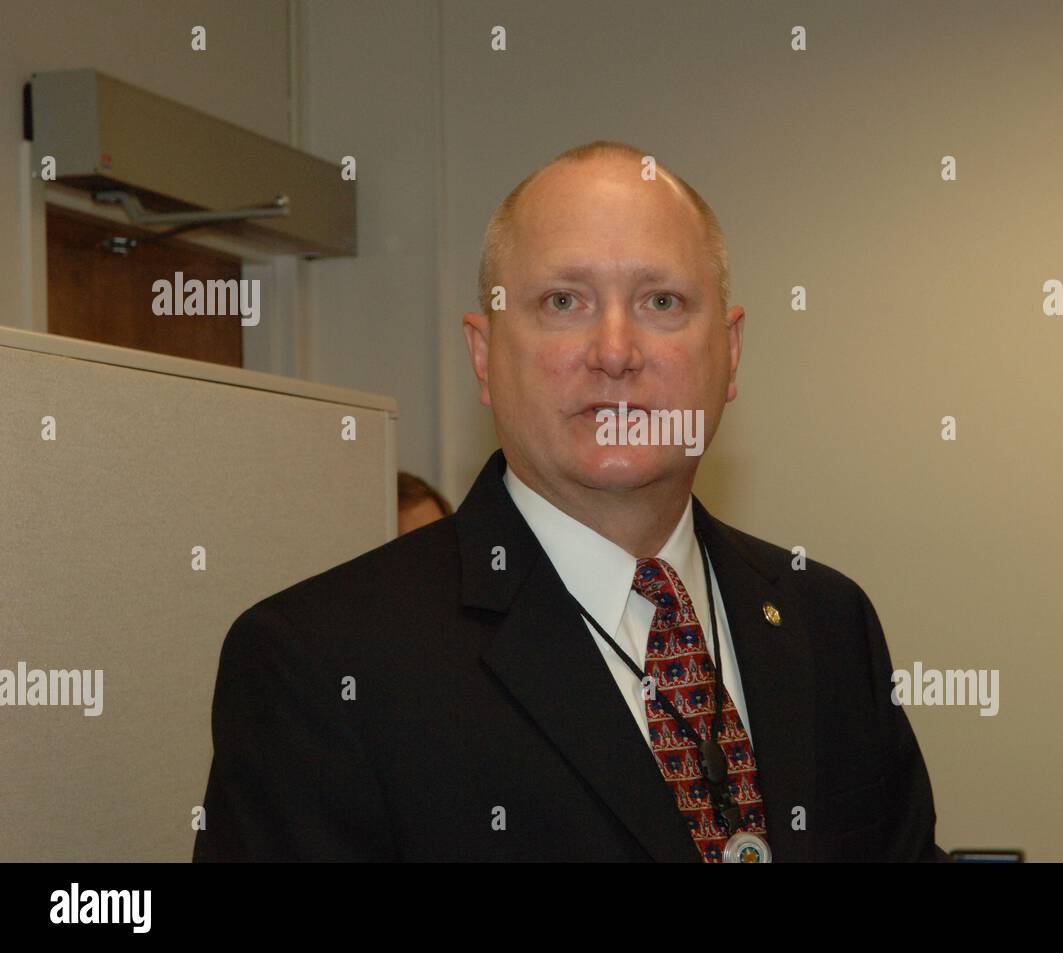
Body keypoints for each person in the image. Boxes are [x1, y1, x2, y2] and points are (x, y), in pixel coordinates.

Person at [193, 139, 946, 862]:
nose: (616, 351)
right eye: (564, 300)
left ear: (731, 351)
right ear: (485, 356)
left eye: (661, 300)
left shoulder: (827, 622)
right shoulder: (319, 663)